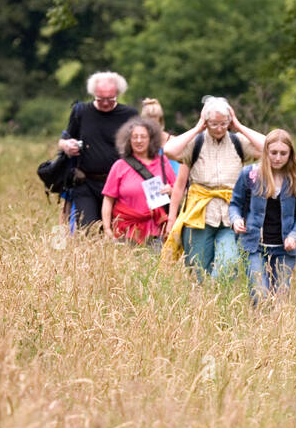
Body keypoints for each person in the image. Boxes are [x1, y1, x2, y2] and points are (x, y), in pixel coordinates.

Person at [161, 97, 266, 280]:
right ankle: (205, 304)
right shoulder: (196, 142)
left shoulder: (238, 141)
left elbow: (268, 146)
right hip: (198, 214)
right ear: (206, 122)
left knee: (229, 263)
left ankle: (221, 294)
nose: (219, 128)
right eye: (214, 124)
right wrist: (198, 127)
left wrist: (239, 126)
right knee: (199, 269)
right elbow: (169, 150)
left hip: (231, 213)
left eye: (223, 124)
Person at [229, 129, 296, 305]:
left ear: (290, 154)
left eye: (283, 153)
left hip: (284, 248)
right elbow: (235, 203)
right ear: (265, 152)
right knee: (260, 294)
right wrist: (236, 219)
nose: (278, 158)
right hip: (254, 246)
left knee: (280, 299)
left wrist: (294, 236)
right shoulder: (250, 175)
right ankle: (257, 328)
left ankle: (274, 331)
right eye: (273, 153)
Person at [56, 71, 138, 232]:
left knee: (117, 232)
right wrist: (67, 146)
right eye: (101, 99)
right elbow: (63, 140)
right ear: (94, 94)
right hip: (86, 182)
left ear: (118, 94)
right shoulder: (81, 112)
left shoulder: (130, 115)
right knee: (88, 230)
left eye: (110, 99)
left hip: (119, 184)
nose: (106, 103)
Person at [101, 115, 176, 248]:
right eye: (135, 137)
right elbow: (108, 200)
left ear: (151, 139)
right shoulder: (120, 165)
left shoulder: (163, 162)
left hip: (156, 230)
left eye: (143, 137)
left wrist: (171, 190)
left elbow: (179, 190)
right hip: (125, 230)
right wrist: (107, 229)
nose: (139, 140)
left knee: (155, 267)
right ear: (128, 140)